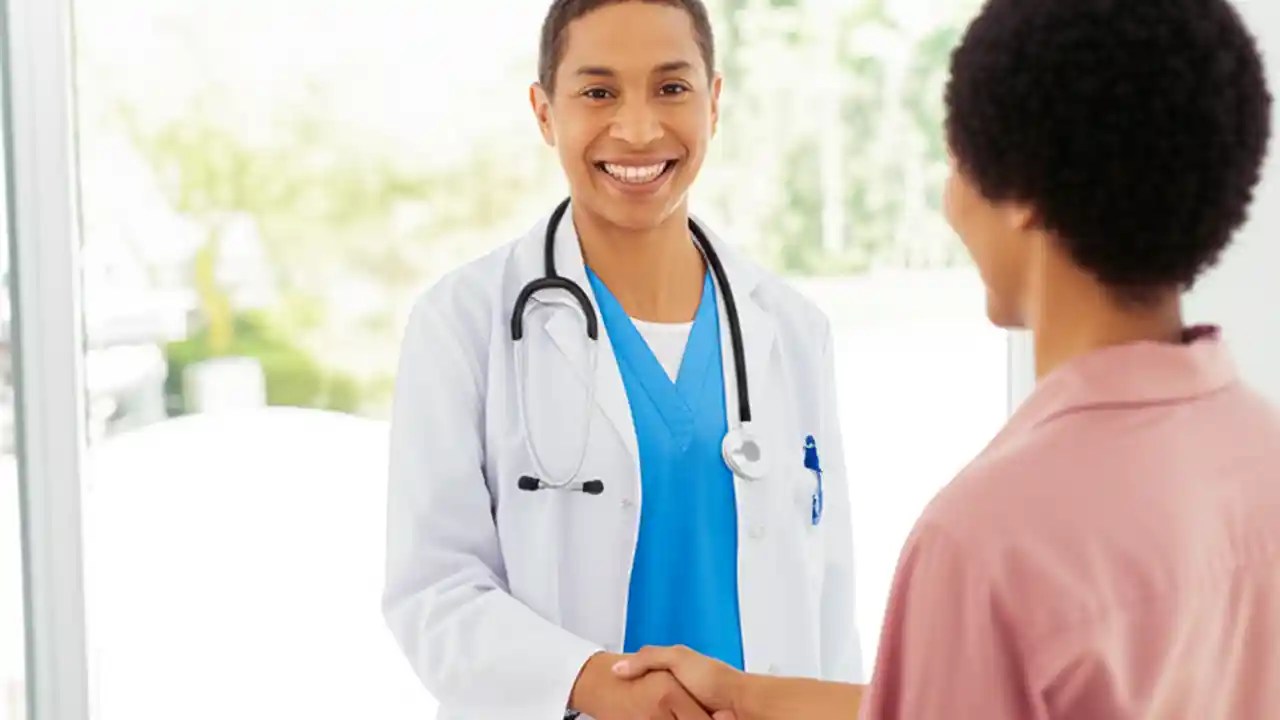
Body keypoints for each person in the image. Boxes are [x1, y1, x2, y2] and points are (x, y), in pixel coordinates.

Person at [610, 0, 1279, 717]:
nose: (949, 199)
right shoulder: (1259, 453)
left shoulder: (987, 540)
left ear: (1020, 188)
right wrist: (749, 695)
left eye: (958, 161)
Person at [380, 1, 864, 718]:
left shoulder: (791, 330)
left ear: (715, 101)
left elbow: (828, 603)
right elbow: (435, 592)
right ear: (545, 113)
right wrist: (590, 680)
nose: (638, 129)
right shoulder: (462, 323)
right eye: (598, 92)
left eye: (671, 88)